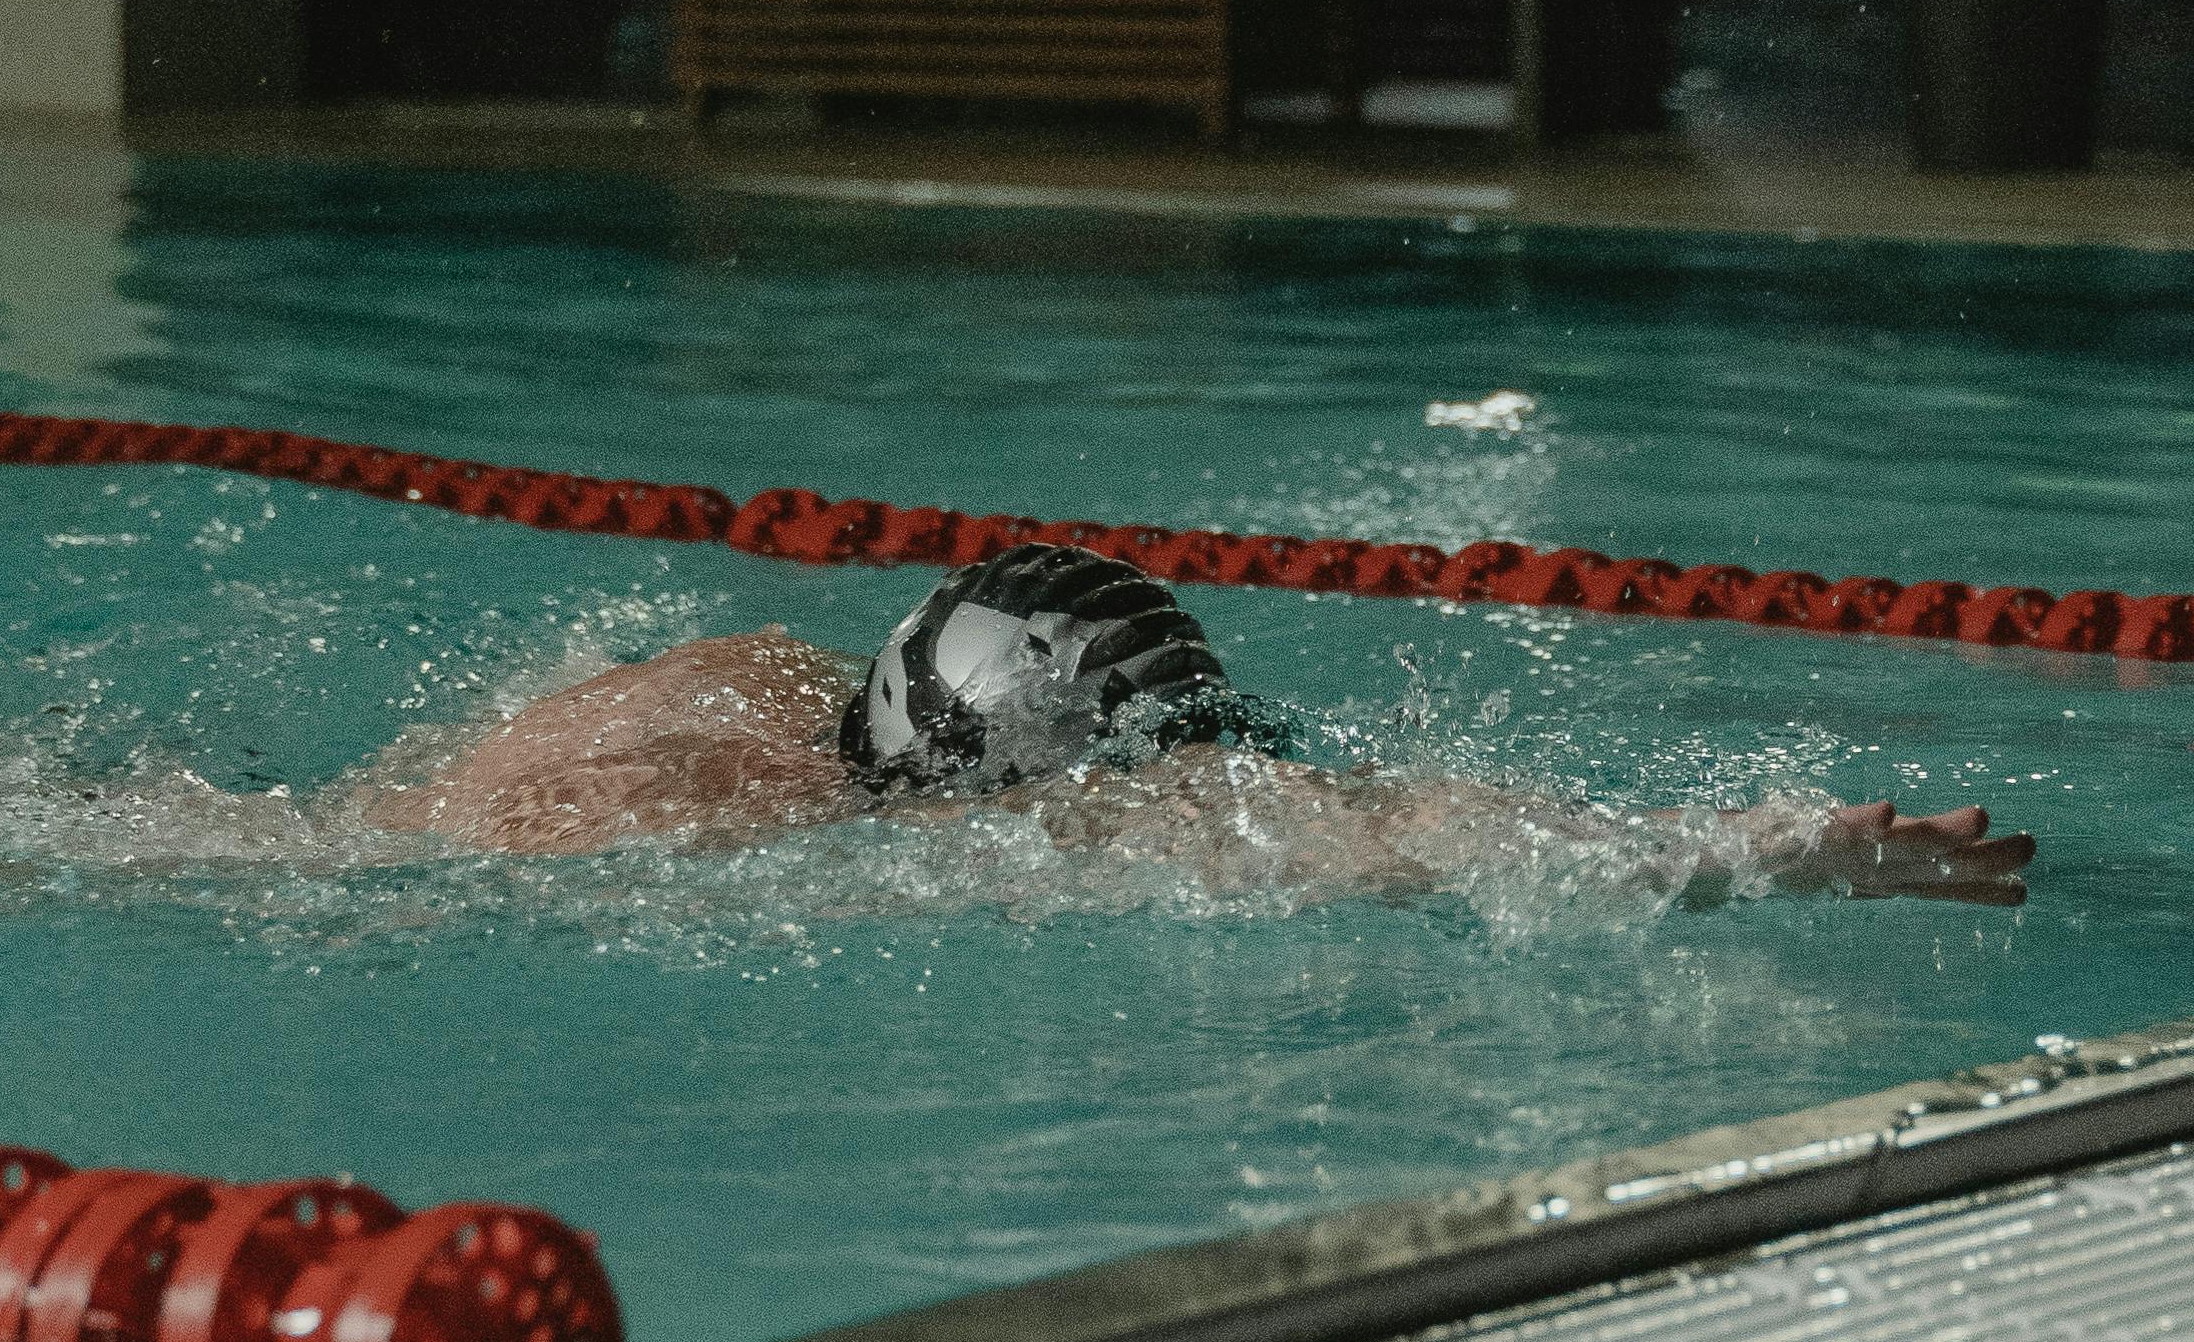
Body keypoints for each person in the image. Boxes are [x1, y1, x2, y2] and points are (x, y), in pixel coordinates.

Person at [353, 545, 2034, 909]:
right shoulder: (691, 829)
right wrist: (1708, 855)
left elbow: (1338, 804)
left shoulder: (771, 686)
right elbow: (1362, 834)